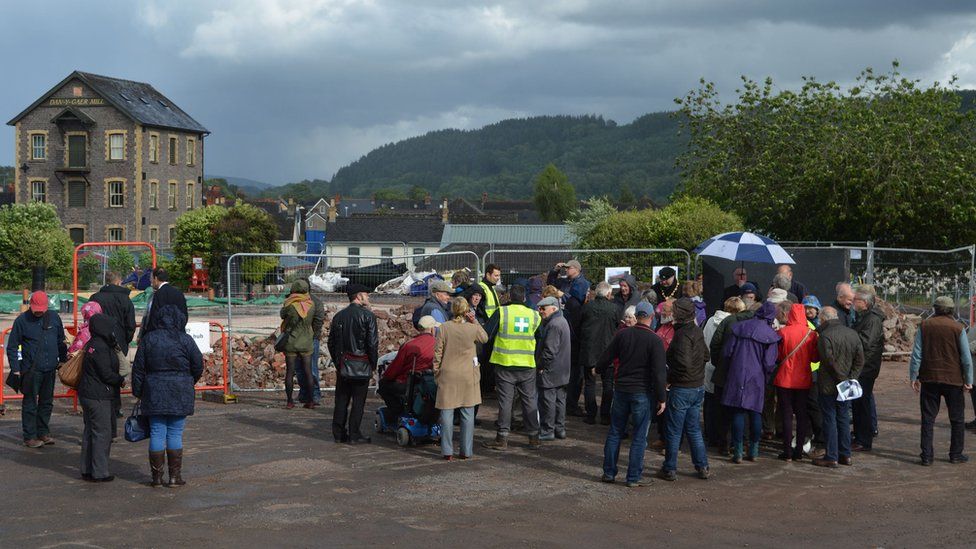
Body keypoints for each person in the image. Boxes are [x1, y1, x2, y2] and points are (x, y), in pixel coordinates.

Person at [597, 301, 667, 487]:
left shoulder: (623, 335)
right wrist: (662, 398)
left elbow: (606, 357)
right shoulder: (655, 340)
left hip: (621, 389)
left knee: (615, 432)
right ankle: (633, 477)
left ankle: (609, 473)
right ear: (651, 317)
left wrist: (597, 369)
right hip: (642, 392)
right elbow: (660, 372)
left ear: (636, 316)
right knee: (638, 436)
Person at [132, 305, 203, 487]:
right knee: (175, 432)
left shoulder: (149, 339)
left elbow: (138, 369)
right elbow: (198, 365)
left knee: (157, 431)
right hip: (180, 390)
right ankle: (174, 477)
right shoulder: (185, 340)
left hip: (154, 390)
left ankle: (156, 478)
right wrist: (188, 381)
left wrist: (138, 391)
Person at [910, 296, 973, 465]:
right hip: (954, 380)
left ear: (934, 309)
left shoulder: (925, 326)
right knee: (957, 419)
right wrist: (969, 379)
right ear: (952, 310)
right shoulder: (958, 328)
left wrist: (913, 376)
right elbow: (966, 358)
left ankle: (927, 456)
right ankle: (955, 454)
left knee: (928, 418)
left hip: (929, 378)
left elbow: (917, 354)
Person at [658, 298, 710, 481]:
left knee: (674, 430)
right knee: (693, 429)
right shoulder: (696, 331)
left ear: (679, 313)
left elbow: (684, 362)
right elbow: (705, 355)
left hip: (683, 387)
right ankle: (702, 466)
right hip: (696, 386)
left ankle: (670, 468)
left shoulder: (681, 335)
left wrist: (671, 378)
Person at [484, 284, 542, 450]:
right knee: (530, 401)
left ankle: (502, 438)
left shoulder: (502, 312)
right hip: (527, 366)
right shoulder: (534, 315)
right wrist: (535, 358)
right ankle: (534, 437)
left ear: (509, 297)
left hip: (505, 365)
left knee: (505, 402)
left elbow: (487, 334)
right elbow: (541, 337)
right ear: (524, 298)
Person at [722, 301, 781, 463]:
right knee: (755, 412)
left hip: (737, 372)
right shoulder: (770, 335)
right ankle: (753, 451)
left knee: (738, 412)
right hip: (757, 377)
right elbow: (769, 363)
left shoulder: (740, 327)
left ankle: (738, 452)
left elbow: (727, 352)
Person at [7, 291, 67, 448]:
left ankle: (43, 432)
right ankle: (30, 436)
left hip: (50, 368)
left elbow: (61, 340)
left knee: (47, 402)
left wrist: (63, 360)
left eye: (42, 307)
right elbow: (12, 346)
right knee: (30, 403)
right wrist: (15, 368)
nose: (39, 311)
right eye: (36, 308)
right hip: (30, 369)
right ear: (30, 305)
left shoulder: (54, 317)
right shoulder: (22, 321)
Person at [434, 298, 489, 460]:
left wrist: (436, 371)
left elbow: (438, 352)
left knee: (447, 413)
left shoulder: (444, 328)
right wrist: (475, 321)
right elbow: (485, 338)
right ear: (466, 311)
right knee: (467, 413)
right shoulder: (472, 329)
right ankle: (466, 450)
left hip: (448, 374)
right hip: (467, 375)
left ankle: (447, 451)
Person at [812, 306, 863, 468]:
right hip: (846, 385)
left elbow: (828, 361)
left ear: (823, 319)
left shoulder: (824, 336)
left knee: (829, 420)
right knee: (843, 419)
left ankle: (831, 455)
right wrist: (850, 379)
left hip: (829, 386)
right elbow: (860, 360)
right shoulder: (852, 333)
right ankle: (845, 454)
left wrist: (841, 379)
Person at [328, 283, 379, 444]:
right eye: (366, 294)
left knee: (341, 400)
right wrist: (373, 364)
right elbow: (372, 343)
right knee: (358, 402)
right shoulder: (368, 316)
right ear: (358, 296)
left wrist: (338, 361)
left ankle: (338, 433)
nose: (368, 297)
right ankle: (354, 434)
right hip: (362, 364)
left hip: (344, 364)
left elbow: (331, 343)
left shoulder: (339, 316)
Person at [78, 314, 125, 482]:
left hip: (88, 393)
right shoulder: (102, 347)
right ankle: (100, 472)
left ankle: (87, 469)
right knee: (102, 433)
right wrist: (120, 380)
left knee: (90, 432)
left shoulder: (92, 344)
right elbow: (106, 374)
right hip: (99, 395)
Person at [90, 270, 137, 433]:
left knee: (101, 374)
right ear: (119, 282)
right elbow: (131, 324)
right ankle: (116, 407)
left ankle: (103, 406)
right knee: (117, 376)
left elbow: (89, 320)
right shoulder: (125, 299)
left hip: (99, 341)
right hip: (119, 343)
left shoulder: (96, 298)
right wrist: (125, 340)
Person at [772, 302, 820, 461]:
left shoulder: (783, 332)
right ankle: (798, 451)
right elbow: (815, 357)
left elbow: (777, 357)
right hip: (803, 379)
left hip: (784, 378)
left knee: (786, 415)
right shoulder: (811, 334)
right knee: (801, 415)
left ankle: (787, 451)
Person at [547, 260, 590, 418]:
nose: (566, 270)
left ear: (577, 269)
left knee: (575, 369)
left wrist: (561, 295)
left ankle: (571, 403)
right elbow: (550, 283)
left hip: (574, 329)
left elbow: (575, 301)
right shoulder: (564, 281)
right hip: (561, 326)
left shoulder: (583, 283)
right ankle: (559, 400)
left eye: (569, 267)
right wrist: (555, 270)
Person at [703, 297, 745, 451]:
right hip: (724, 368)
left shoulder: (709, 321)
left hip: (708, 366)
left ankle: (710, 435)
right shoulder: (734, 325)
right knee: (724, 408)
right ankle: (722, 438)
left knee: (710, 402)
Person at [379, 315, 437, 424]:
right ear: (432, 329)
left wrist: (385, 377)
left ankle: (397, 412)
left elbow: (395, 368)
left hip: (408, 383)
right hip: (428, 382)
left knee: (383, 385)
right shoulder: (437, 344)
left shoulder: (409, 345)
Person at [578, 281, 621, 424]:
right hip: (607, 351)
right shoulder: (614, 309)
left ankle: (591, 415)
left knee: (589, 384)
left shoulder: (587, 307)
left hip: (589, 351)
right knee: (608, 384)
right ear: (609, 294)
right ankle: (605, 415)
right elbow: (617, 327)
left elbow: (579, 325)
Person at [852, 287, 885, 452]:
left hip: (866, 368)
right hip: (863, 367)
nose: (853, 302)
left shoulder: (872, 320)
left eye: (855, 300)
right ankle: (859, 435)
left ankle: (864, 440)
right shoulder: (865, 317)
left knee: (862, 404)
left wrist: (848, 338)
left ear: (864, 303)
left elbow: (866, 342)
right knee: (858, 403)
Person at [536, 296, 571, 441]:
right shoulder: (561, 321)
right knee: (560, 400)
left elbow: (549, 351)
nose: (540, 311)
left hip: (551, 370)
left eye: (543, 308)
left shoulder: (554, 324)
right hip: (562, 369)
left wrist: (541, 366)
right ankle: (559, 429)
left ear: (553, 308)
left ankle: (547, 430)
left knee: (548, 401)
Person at [279, 280, 315, 409]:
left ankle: (289, 401)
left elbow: (282, 315)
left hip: (291, 342)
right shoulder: (311, 304)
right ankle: (310, 401)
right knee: (308, 372)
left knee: (290, 372)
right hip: (306, 342)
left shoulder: (289, 305)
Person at [296, 282, 326, 407]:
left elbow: (318, 321)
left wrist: (312, 335)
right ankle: (305, 394)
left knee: (310, 368)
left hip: (308, 339)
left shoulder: (315, 302)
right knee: (300, 368)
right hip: (300, 339)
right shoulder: (295, 301)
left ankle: (314, 395)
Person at [139, 268, 188, 339]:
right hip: (178, 335)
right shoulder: (179, 292)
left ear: (155, 278)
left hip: (161, 336)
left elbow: (154, 317)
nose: (150, 281)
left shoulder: (158, 294)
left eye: (151, 278)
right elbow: (184, 315)